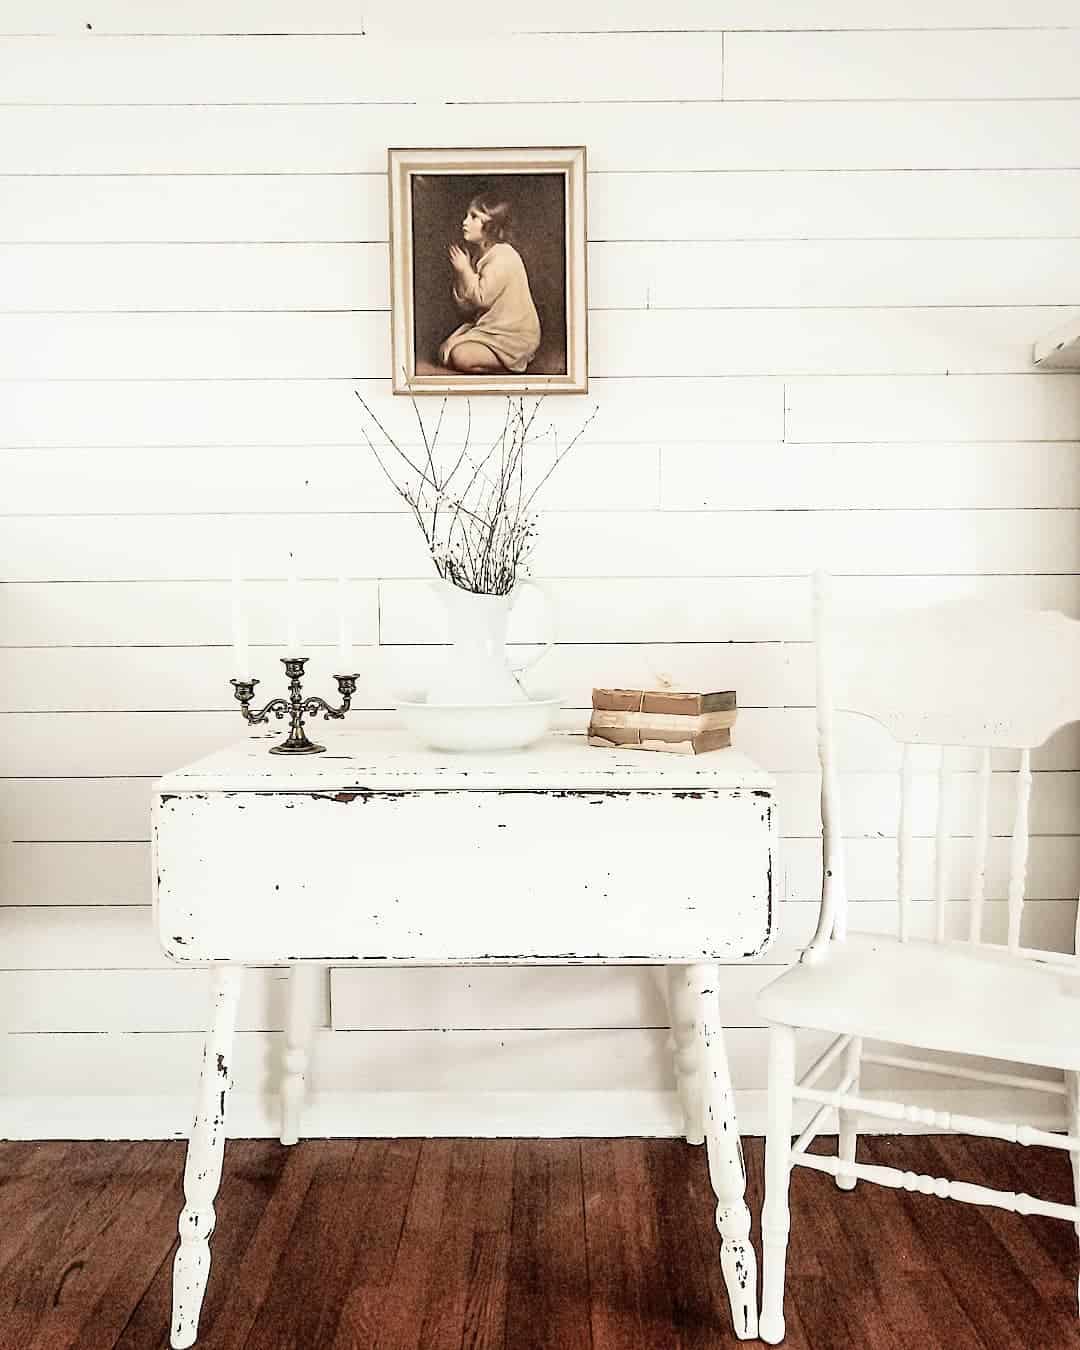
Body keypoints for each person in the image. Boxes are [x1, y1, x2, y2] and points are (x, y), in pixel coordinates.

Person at [437, 194, 541, 375]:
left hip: (513, 335)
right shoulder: (480, 254)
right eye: (466, 215)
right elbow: (467, 307)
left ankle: (510, 362)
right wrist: (464, 273)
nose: (465, 222)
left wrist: (464, 270)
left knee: (460, 356)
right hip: (491, 328)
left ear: (491, 226)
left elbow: (481, 298)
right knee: (444, 352)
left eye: (474, 217)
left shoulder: (503, 256)